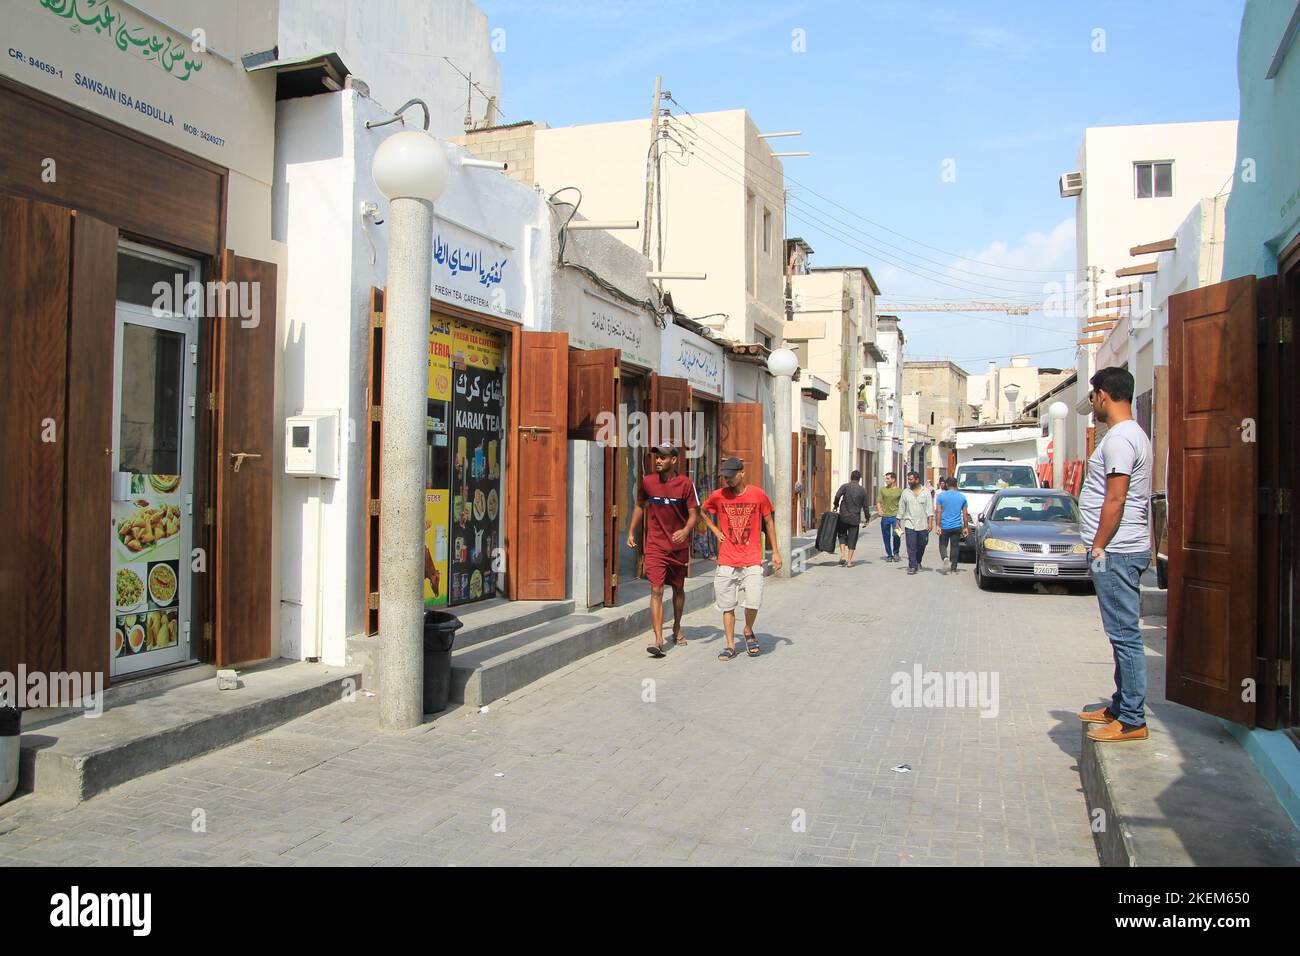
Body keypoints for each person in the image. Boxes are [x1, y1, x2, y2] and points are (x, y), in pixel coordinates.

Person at [1077, 367, 1153, 743]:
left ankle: (1133, 719)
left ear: (1103, 394)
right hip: (1120, 549)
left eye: (1092, 396)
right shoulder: (1127, 435)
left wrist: (1099, 545)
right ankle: (1121, 705)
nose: (1091, 403)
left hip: (1117, 551)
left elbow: (1116, 498)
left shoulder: (1120, 440)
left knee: (1124, 635)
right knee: (1120, 633)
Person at [699, 458, 781, 661]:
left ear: (742, 473)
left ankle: (747, 629)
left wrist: (776, 551)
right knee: (727, 605)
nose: (728, 479)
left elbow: (769, 522)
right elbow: (702, 510)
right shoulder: (719, 496)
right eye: (725, 476)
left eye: (731, 475)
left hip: (752, 558)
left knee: (754, 601)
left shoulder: (758, 495)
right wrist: (715, 529)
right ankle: (730, 645)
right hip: (727, 559)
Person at [628, 443, 699, 658]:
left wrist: (686, 530)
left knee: (678, 588)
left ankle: (677, 627)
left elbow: (694, 514)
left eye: (663, 457)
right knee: (657, 590)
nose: (658, 461)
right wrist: (631, 531)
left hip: (678, 547)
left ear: (674, 460)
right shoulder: (648, 482)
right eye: (656, 457)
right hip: (656, 545)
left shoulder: (685, 484)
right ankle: (659, 640)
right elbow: (640, 506)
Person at [898, 470, 933, 575]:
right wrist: (898, 521)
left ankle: (918, 561)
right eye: (908, 479)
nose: (909, 481)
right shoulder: (905, 492)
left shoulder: (926, 492)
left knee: (922, 544)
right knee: (911, 546)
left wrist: (930, 523)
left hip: (922, 524)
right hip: (909, 523)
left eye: (911, 479)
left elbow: (929, 509)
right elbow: (901, 507)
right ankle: (912, 566)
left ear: (917, 480)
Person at [832, 470, 869, 567]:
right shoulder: (862, 490)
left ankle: (843, 555)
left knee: (842, 535)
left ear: (851, 477)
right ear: (859, 479)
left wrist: (836, 505)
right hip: (855, 518)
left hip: (843, 516)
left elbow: (837, 496)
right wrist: (867, 518)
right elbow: (865, 506)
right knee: (853, 539)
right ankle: (849, 561)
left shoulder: (845, 486)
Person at [934, 477, 970, 574]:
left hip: (944, 526)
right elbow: (965, 514)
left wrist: (937, 525)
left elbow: (938, 511)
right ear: (956, 485)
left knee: (942, 545)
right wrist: (965, 527)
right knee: (955, 547)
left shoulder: (941, 496)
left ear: (946, 485)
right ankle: (953, 569)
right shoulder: (962, 497)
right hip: (957, 526)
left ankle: (945, 557)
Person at [876, 472, 902, 562]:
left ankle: (896, 553)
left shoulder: (900, 491)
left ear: (893, 479)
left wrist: (901, 514)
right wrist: (879, 510)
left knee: (897, 535)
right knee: (886, 536)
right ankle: (889, 554)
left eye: (888, 478)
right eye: (886, 478)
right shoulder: (882, 490)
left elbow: (903, 503)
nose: (886, 480)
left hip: (896, 516)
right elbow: (879, 501)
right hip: (885, 516)